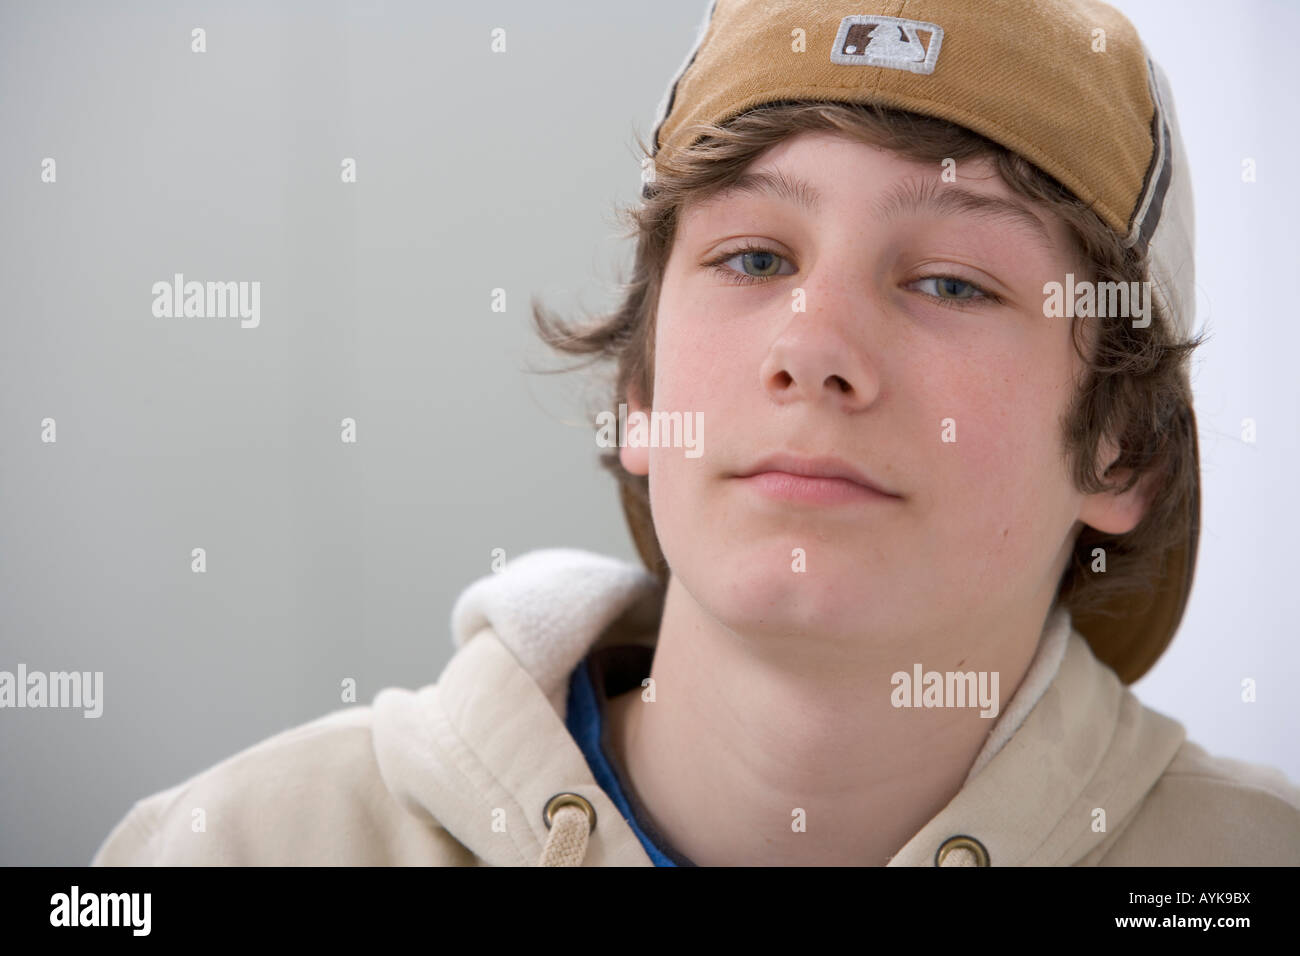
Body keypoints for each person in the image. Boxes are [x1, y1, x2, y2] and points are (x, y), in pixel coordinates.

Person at [92, 0, 1300, 867]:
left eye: (947, 281)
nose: (811, 342)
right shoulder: (230, 847)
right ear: (639, 396)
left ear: (1122, 449)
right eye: (753, 256)